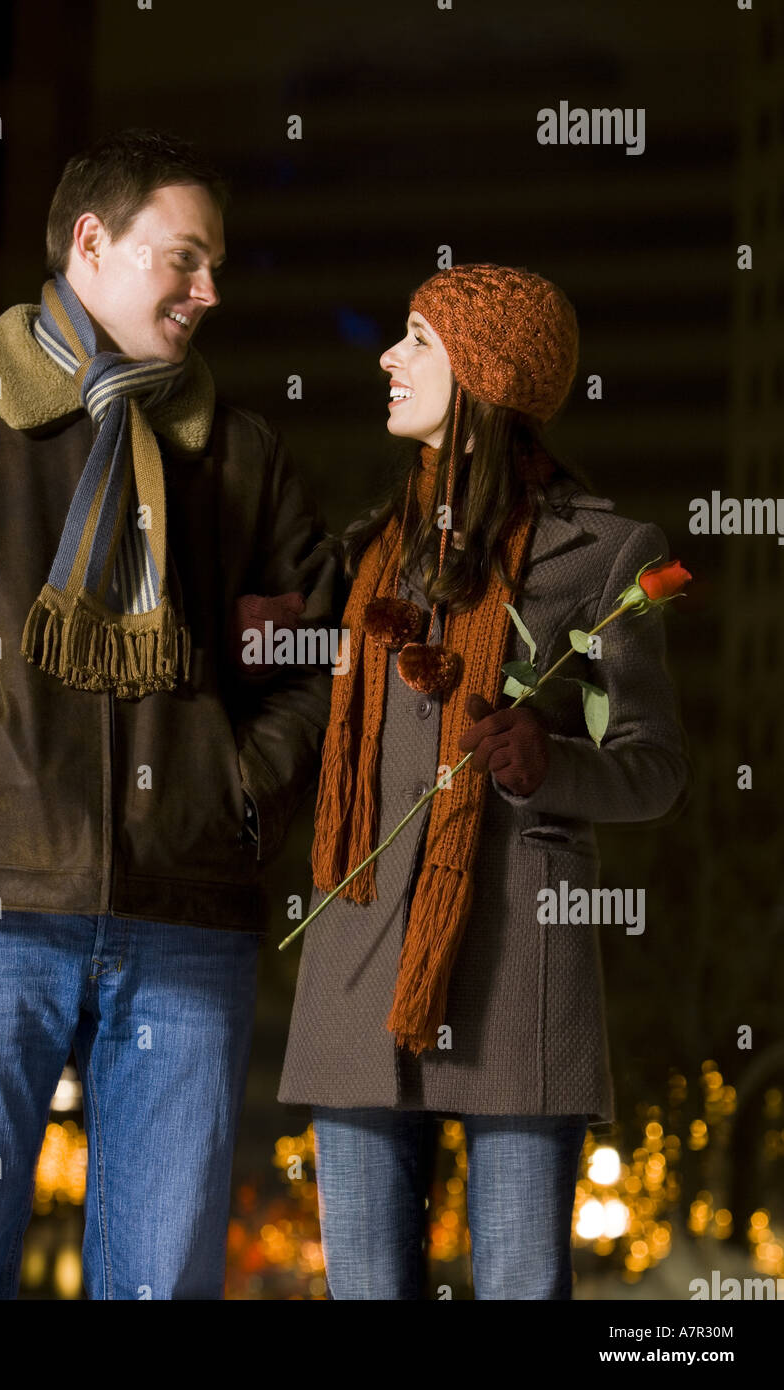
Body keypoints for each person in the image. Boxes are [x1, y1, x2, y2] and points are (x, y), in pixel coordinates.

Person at [0, 128, 337, 1300]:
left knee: (160, 1284)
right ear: (91, 242)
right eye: (184, 259)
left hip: (188, 921)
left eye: (216, 266)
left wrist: (240, 795)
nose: (208, 292)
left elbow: (318, 657)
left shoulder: (245, 457)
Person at [277, 263, 690, 1300]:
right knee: (368, 1287)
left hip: (516, 962)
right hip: (360, 959)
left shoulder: (604, 554)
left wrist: (554, 765)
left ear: (485, 373)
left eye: (417, 338)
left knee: (518, 1282)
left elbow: (655, 768)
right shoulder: (371, 548)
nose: (389, 357)